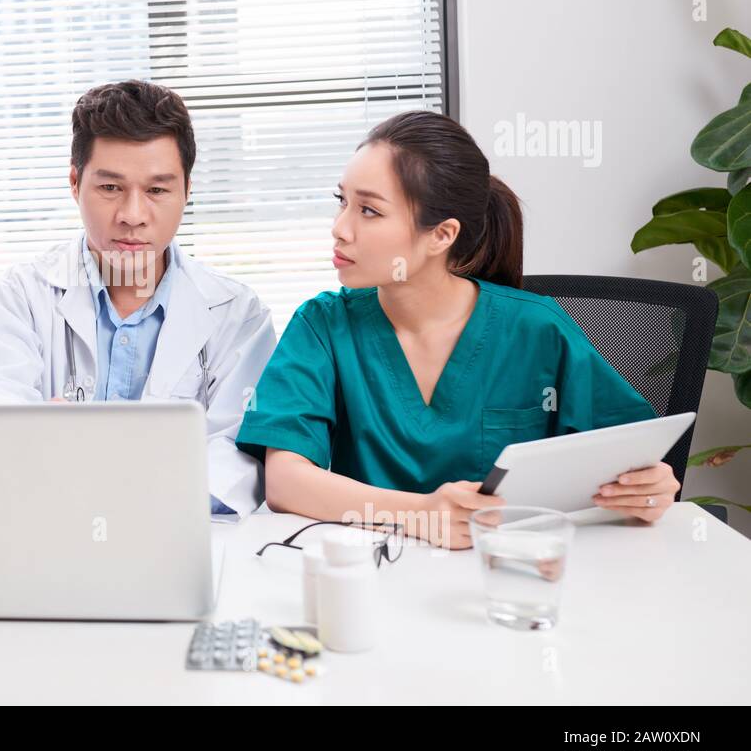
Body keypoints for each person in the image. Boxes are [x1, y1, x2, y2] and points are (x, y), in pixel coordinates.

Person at [235, 110, 678, 549]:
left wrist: (650, 485)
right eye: (342, 202)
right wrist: (422, 513)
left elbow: (631, 452)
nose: (339, 229)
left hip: (510, 576)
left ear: (442, 235)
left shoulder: (537, 328)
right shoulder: (323, 325)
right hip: (377, 576)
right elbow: (285, 482)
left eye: (369, 210)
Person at [0, 80, 276, 517]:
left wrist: (116, 493)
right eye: (110, 188)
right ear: (74, 182)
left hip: (172, 536)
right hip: (42, 533)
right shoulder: (14, 299)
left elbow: (237, 457)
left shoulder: (237, 314)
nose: (132, 215)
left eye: (158, 190)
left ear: (187, 190)